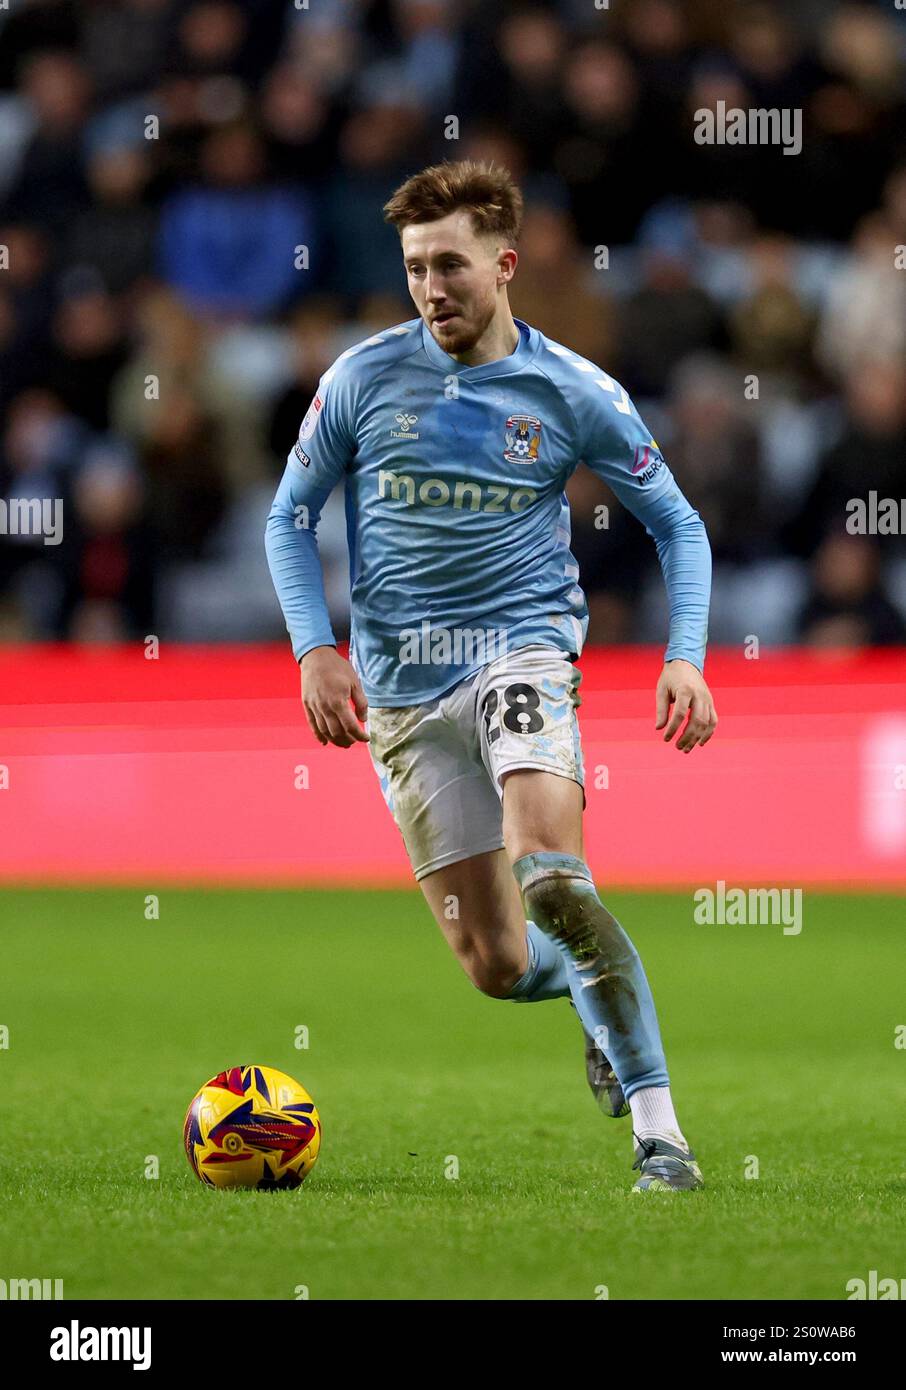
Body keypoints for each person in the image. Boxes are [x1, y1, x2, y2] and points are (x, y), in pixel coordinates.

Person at [265, 161, 718, 1192]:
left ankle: (663, 1137)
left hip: (520, 653)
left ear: (505, 265)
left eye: (453, 266)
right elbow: (287, 519)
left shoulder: (571, 390)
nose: (433, 288)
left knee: (554, 875)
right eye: (418, 267)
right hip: (404, 694)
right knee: (498, 966)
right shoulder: (362, 379)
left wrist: (685, 655)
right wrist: (313, 646)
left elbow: (678, 523)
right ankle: (596, 1004)